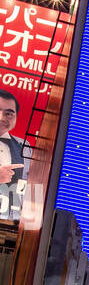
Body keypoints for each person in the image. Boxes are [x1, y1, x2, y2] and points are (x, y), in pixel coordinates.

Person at [0, 89, 28, 222]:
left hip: (12, 221)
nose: (1, 117)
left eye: (8, 113)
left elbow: (27, 182)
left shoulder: (23, 145)